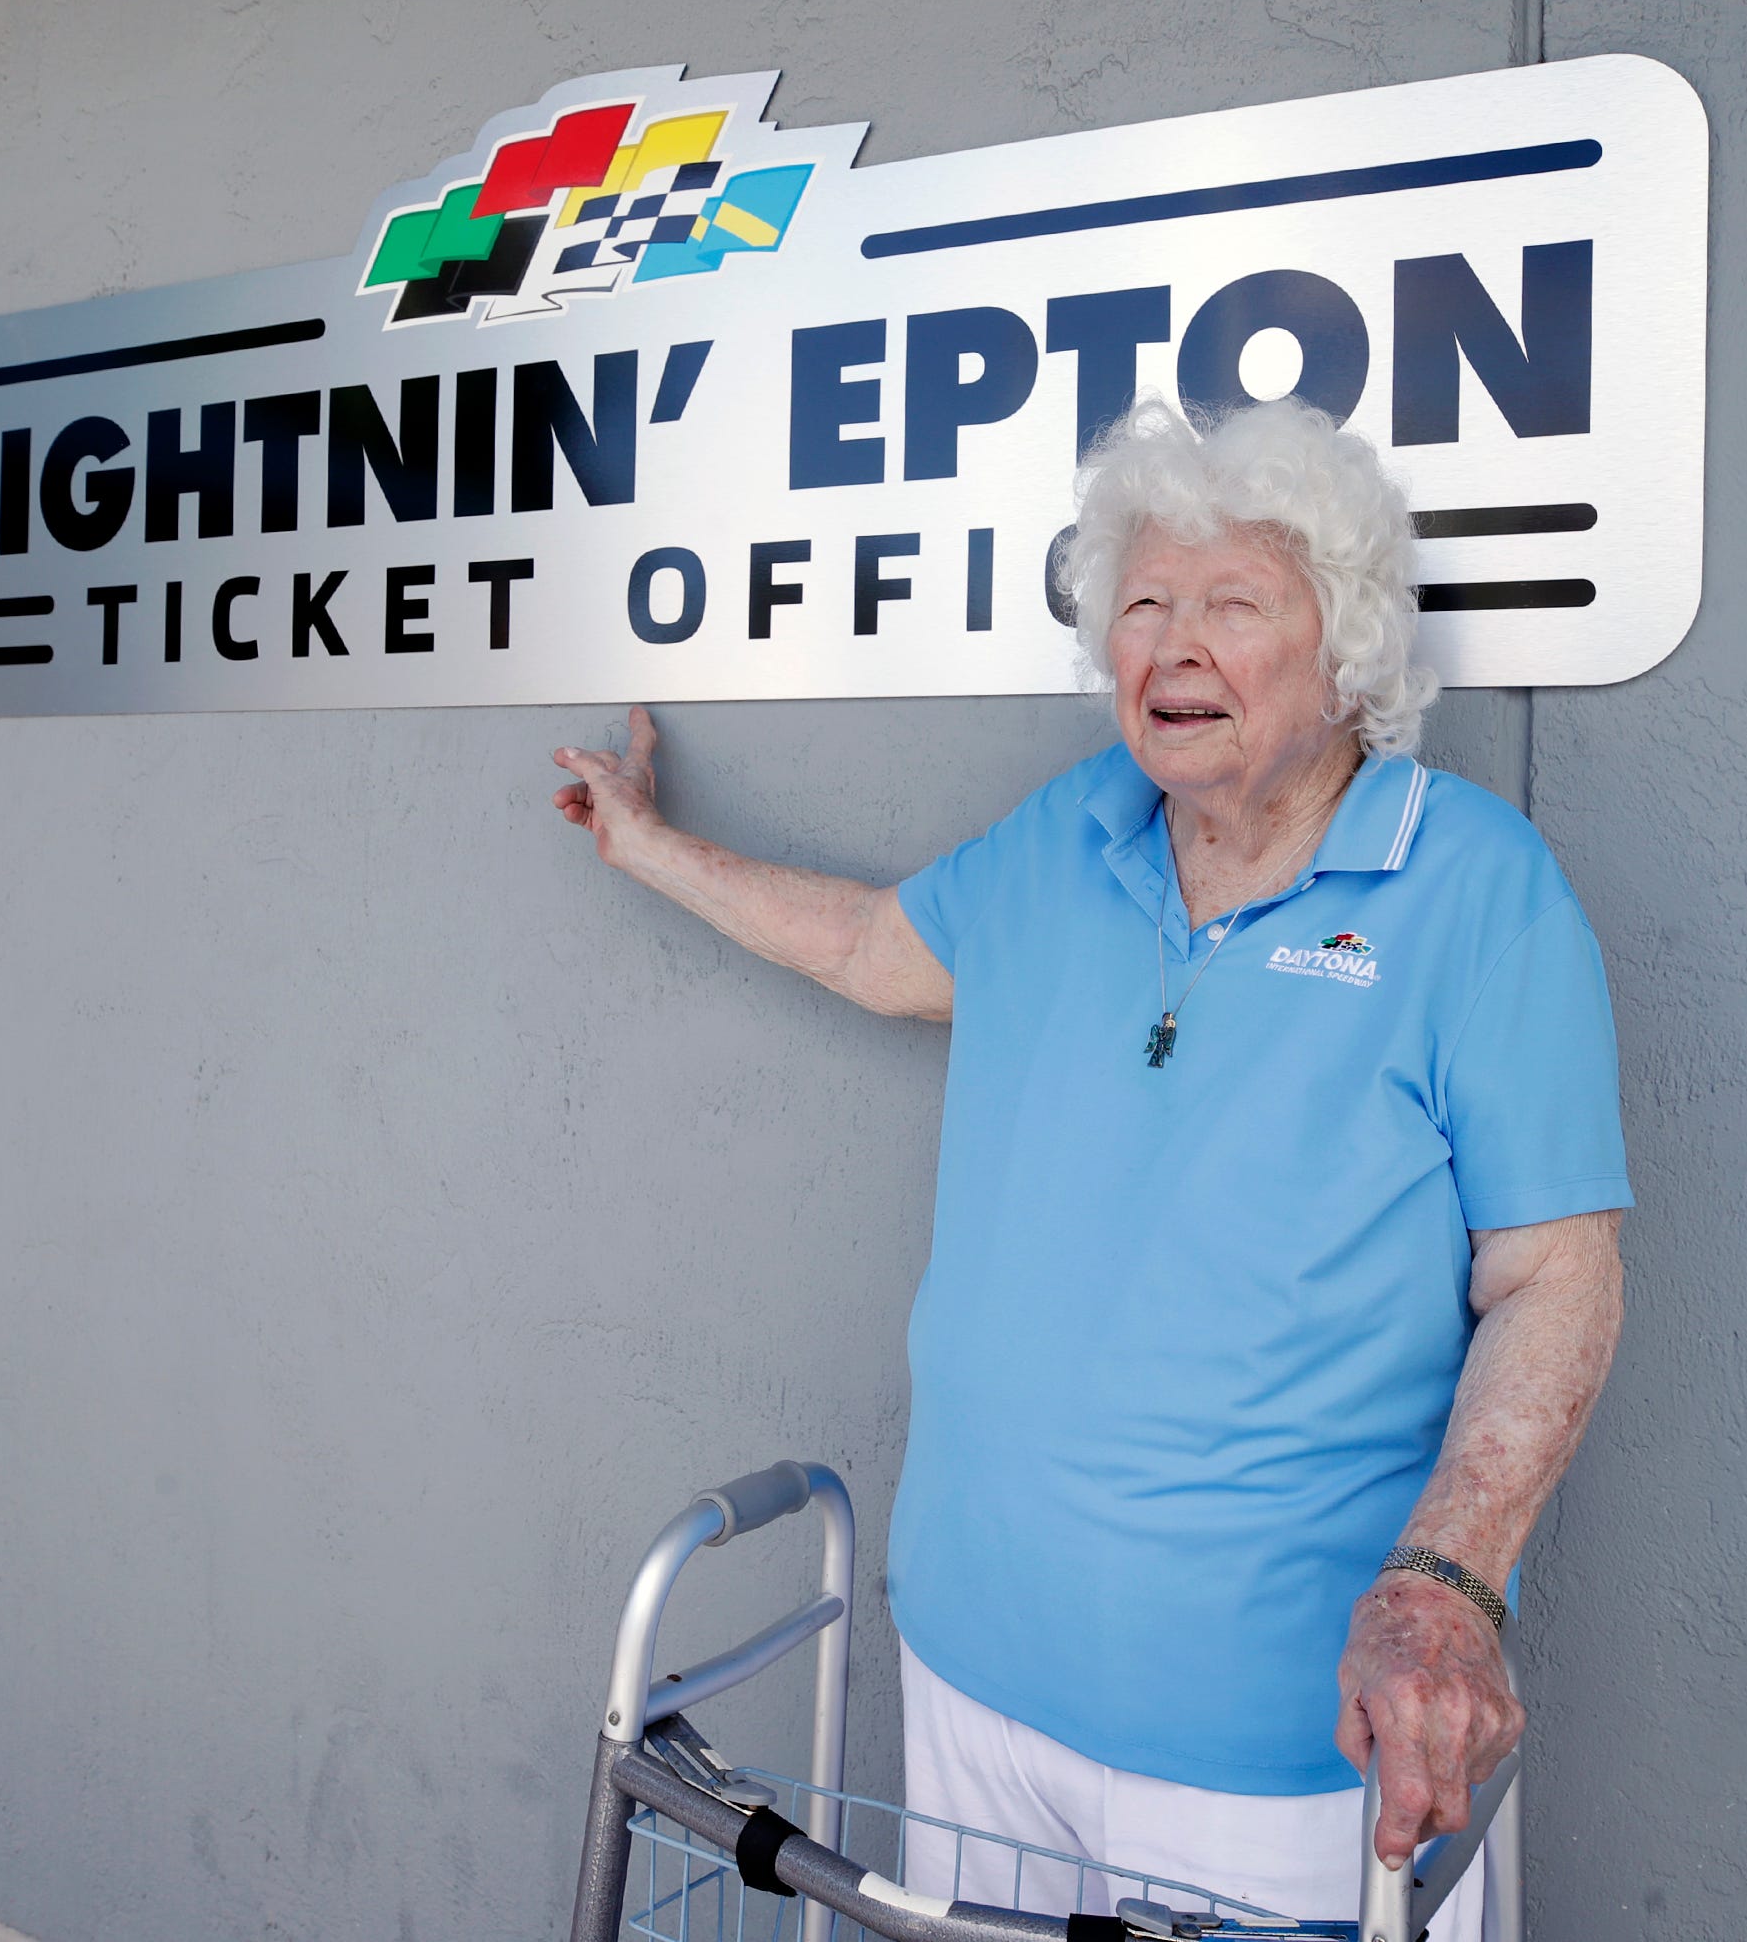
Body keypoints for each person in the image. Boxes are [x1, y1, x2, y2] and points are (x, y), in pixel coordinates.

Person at [548, 399, 1629, 1934]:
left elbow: (1553, 1276)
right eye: (1139, 606)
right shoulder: (1076, 831)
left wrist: (1443, 1591)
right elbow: (872, 947)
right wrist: (646, 845)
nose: (1168, 647)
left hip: (1286, 1762)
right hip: (976, 1687)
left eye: (1230, 604)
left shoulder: (1477, 889)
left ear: (1347, 649)